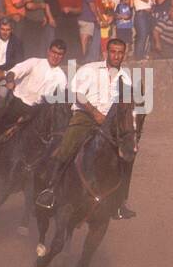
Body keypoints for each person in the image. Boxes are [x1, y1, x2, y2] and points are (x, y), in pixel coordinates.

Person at [36, 38, 133, 216]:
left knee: (128, 154)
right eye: (113, 51)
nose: (116, 56)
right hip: (85, 116)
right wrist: (95, 112)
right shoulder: (90, 70)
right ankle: (51, 189)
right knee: (67, 145)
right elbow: (77, 93)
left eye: (120, 52)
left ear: (124, 55)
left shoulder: (125, 78)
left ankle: (120, 202)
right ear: (106, 52)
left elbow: (125, 105)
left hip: (111, 123)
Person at [0, 40, 69, 176]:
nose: (56, 56)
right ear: (48, 51)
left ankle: (33, 171)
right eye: (54, 52)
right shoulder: (34, 62)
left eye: (60, 54)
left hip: (38, 111)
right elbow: (12, 73)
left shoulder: (62, 78)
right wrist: (9, 81)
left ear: (63, 56)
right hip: (18, 105)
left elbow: (57, 102)